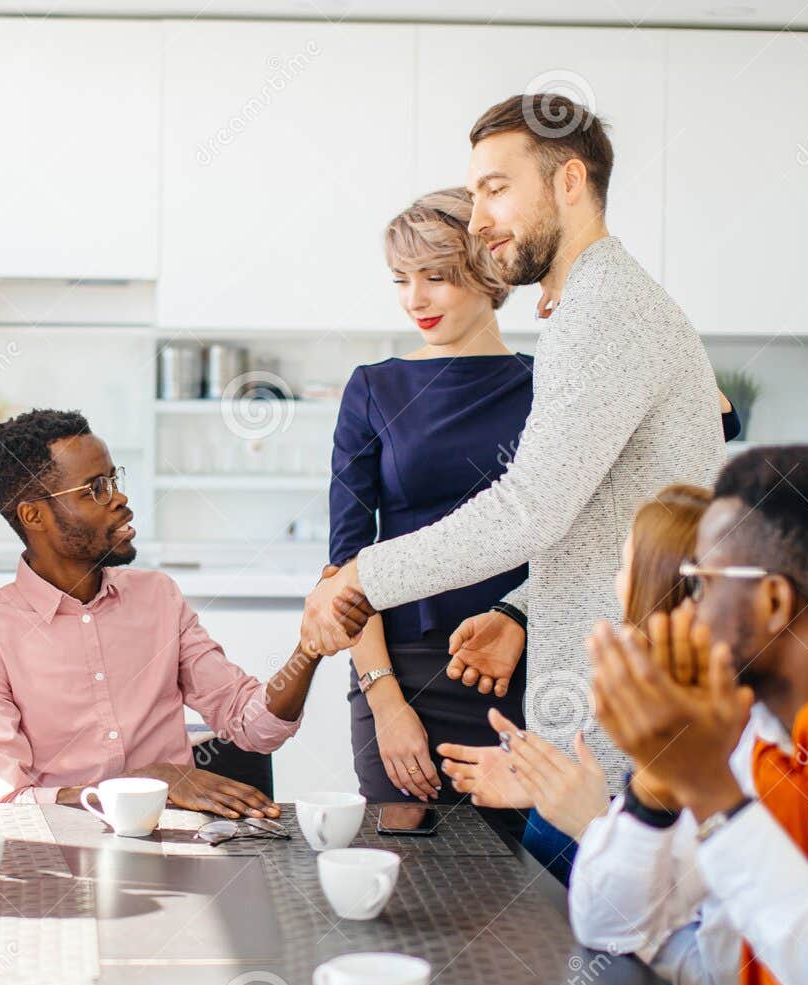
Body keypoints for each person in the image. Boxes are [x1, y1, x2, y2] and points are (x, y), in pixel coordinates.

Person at [301, 94, 725, 827]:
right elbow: (594, 516)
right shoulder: (589, 307)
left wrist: (360, 581)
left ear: (569, 182)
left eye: (496, 190)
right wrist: (518, 608)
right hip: (590, 718)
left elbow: (532, 506)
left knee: (586, 924)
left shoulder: (602, 311)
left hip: (622, 722)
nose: (480, 219)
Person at [569, 445, 808, 985]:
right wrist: (656, 786)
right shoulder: (740, 724)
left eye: (701, 582)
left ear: (773, 603)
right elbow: (604, 925)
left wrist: (712, 797)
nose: (688, 606)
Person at [0, 409, 371, 814]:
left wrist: (309, 648)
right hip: (60, 865)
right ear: (34, 516)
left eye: (113, 479)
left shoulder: (158, 597)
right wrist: (142, 785)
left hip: (178, 847)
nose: (120, 498)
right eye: (95, 489)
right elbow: (6, 803)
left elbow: (253, 726)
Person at [330, 187, 532, 810]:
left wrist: (521, 621)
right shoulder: (374, 390)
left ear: (488, 269)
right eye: (401, 280)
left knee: (529, 887)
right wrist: (383, 699)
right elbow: (346, 564)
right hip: (402, 670)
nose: (415, 299)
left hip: (525, 669)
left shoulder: (549, 386)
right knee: (409, 881)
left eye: (436, 278)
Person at [441, 483, 712, 880]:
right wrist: (549, 788)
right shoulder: (664, 689)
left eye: (622, 565)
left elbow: (665, 908)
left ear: (651, 583)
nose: (615, 582)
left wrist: (589, 820)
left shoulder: (706, 725)